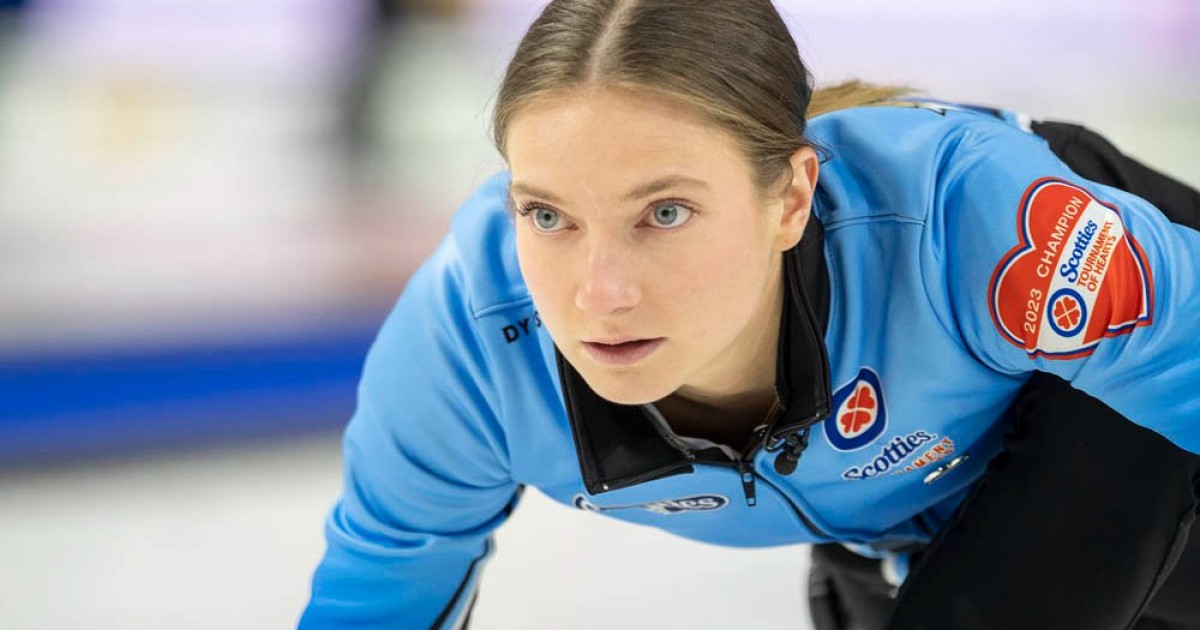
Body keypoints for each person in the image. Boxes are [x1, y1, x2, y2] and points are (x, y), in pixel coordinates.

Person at [299, 1, 1200, 628]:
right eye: (548, 216)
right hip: (905, 516)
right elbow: (374, 605)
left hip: (1116, 370)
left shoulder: (980, 229)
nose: (598, 293)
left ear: (791, 198)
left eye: (664, 213)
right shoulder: (468, 347)